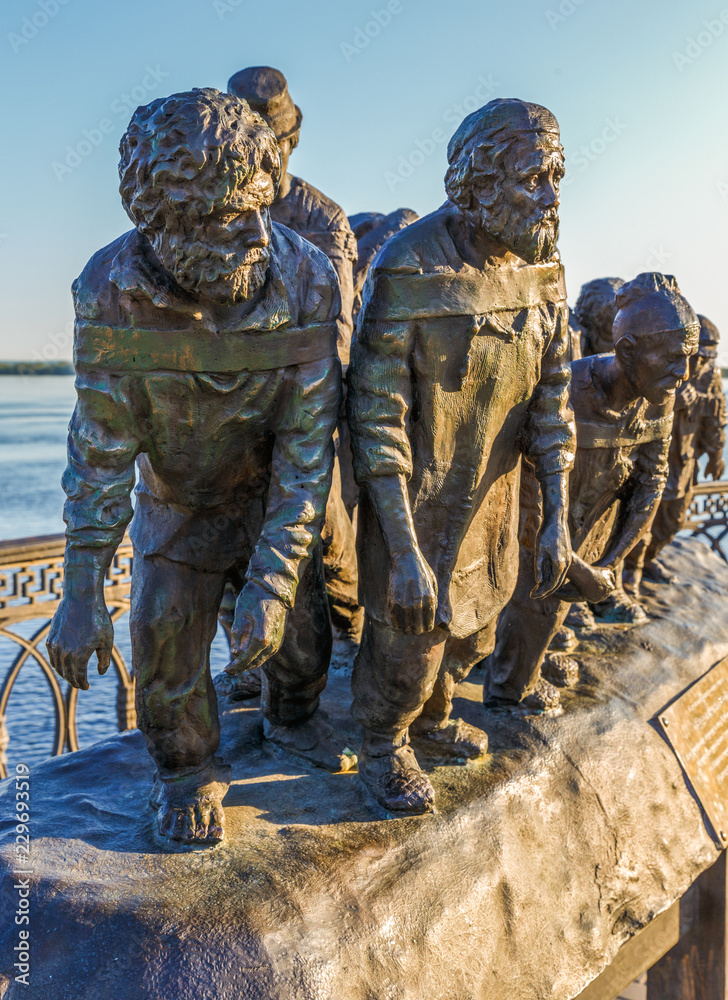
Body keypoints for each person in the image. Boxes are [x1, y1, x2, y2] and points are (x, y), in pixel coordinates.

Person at [46, 89, 354, 846]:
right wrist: (82, 587)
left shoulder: (308, 277)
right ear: (161, 218)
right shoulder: (109, 292)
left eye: (263, 204)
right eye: (228, 216)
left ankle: (291, 721)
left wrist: (275, 582)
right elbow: (100, 451)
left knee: (302, 646)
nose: (259, 232)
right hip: (176, 507)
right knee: (164, 648)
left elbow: (307, 452)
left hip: (269, 499)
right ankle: (185, 772)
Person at [347, 98, 576, 814]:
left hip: (493, 502)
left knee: (474, 633)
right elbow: (377, 417)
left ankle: (438, 717)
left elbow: (553, 403)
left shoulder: (545, 270)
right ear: (475, 184)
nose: (549, 197)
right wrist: (403, 547)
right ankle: (384, 745)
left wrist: (558, 517)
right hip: (415, 507)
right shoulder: (408, 267)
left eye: (556, 177)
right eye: (531, 178)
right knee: (408, 647)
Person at [482, 273, 699, 710]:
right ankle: (505, 692)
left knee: (550, 611)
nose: (685, 371)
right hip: (537, 528)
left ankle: (519, 673)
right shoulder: (567, 392)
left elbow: (651, 481)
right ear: (627, 352)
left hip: (587, 531)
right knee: (526, 603)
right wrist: (576, 564)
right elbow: (526, 488)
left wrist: (609, 565)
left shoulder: (661, 395)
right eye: (673, 357)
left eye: (689, 357)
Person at [226, 64, 362, 648]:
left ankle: (353, 638)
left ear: (290, 142)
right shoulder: (216, 212)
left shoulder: (320, 220)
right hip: (225, 409)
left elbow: (332, 332)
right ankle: (244, 659)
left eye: (270, 145)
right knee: (226, 541)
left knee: (325, 538)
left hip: (301, 407)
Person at [625, 314, 726, 592]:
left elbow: (715, 416)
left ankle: (649, 560)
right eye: (697, 357)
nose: (701, 364)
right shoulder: (661, 368)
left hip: (684, 462)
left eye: (707, 359)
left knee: (674, 521)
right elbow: (632, 413)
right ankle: (629, 573)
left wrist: (716, 454)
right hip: (651, 462)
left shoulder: (711, 376)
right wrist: (674, 402)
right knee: (641, 520)